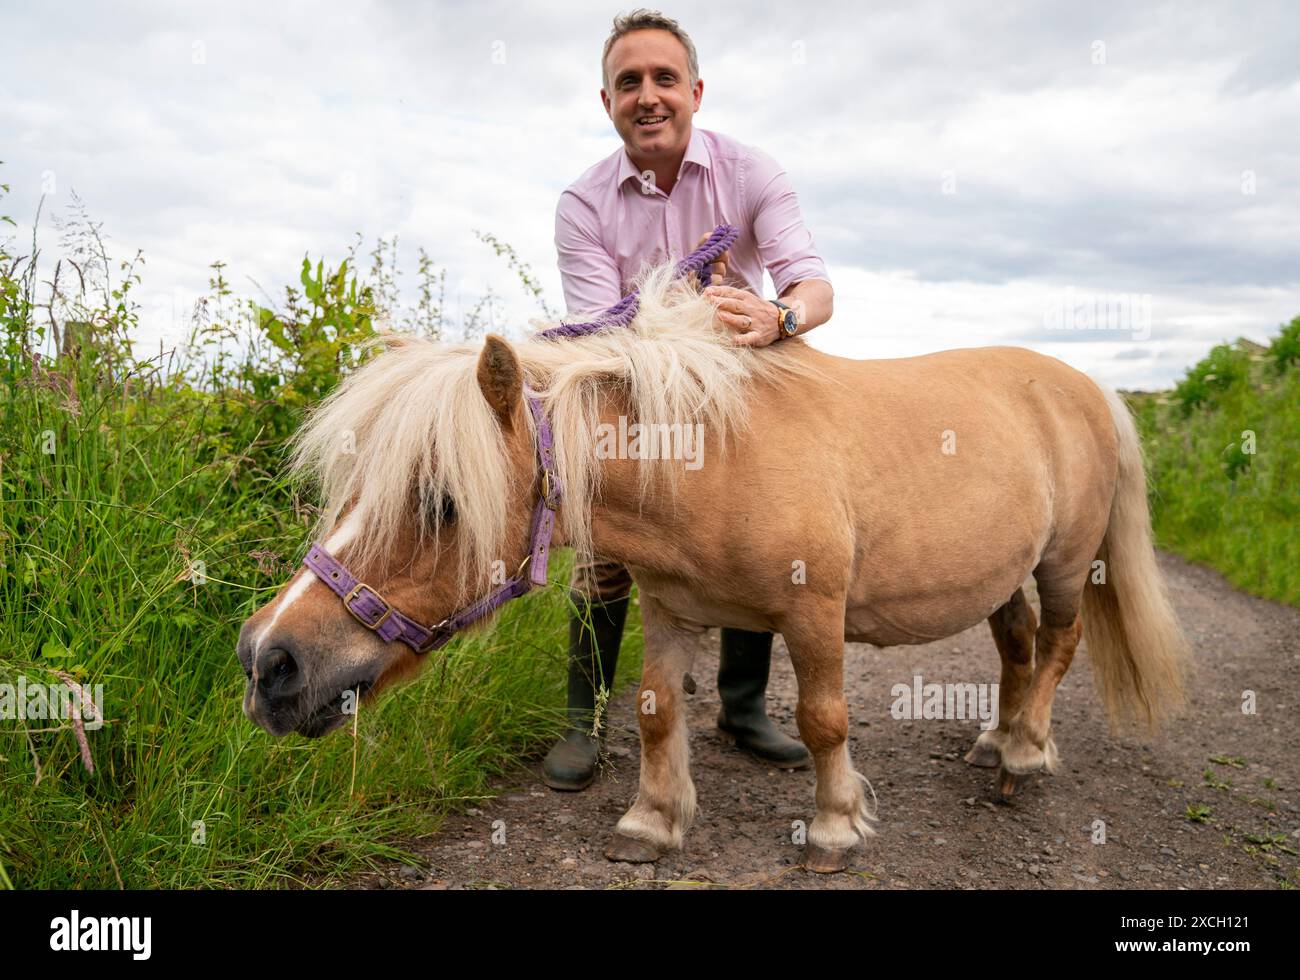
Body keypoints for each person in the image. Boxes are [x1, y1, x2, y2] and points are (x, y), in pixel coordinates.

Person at [543, 8, 835, 790]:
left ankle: (741, 710)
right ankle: (585, 721)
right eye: (627, 82)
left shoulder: (752, 172)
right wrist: (676, 326)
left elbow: (813, 284)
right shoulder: (582, 203)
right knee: (604, 541)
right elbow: (599, 333)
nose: (648, 95)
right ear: (605, 102)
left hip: (742, 382)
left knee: (753, 535)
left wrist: (782, 315)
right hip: (631, 386)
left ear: (695, 91)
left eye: (663, 79)